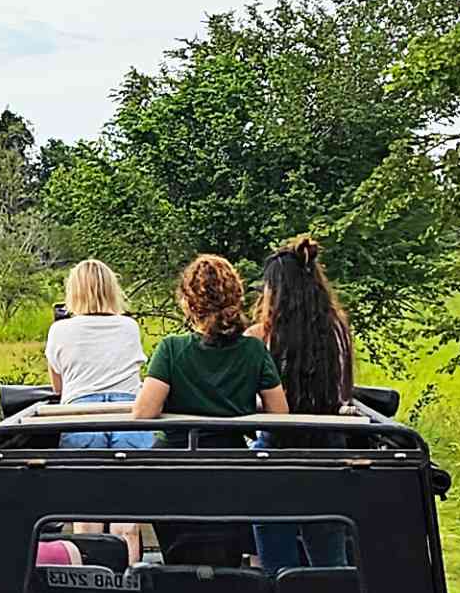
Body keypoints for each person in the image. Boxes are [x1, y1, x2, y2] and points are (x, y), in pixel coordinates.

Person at [249, 236, 355, 570]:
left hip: (277, 446)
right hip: (328, 444)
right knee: (328, 546)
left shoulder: (261, 336)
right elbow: (343, 390)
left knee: (274, 547)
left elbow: (256, 401)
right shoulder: (337, 330)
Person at [131, 254, 288, 434]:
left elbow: (144, 412)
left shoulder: (171, 349)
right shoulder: (254, 349)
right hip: (231, 454)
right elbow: (279, 412)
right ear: (237, 297)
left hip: (177, 455)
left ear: (188, 303)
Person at [47, 259, 153, 450]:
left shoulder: (59, 330)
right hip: (128, 411)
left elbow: (58, 387)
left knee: (85, 476)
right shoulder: (129, 326)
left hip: (80, 414)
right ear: (112, 289)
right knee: (137, 476)